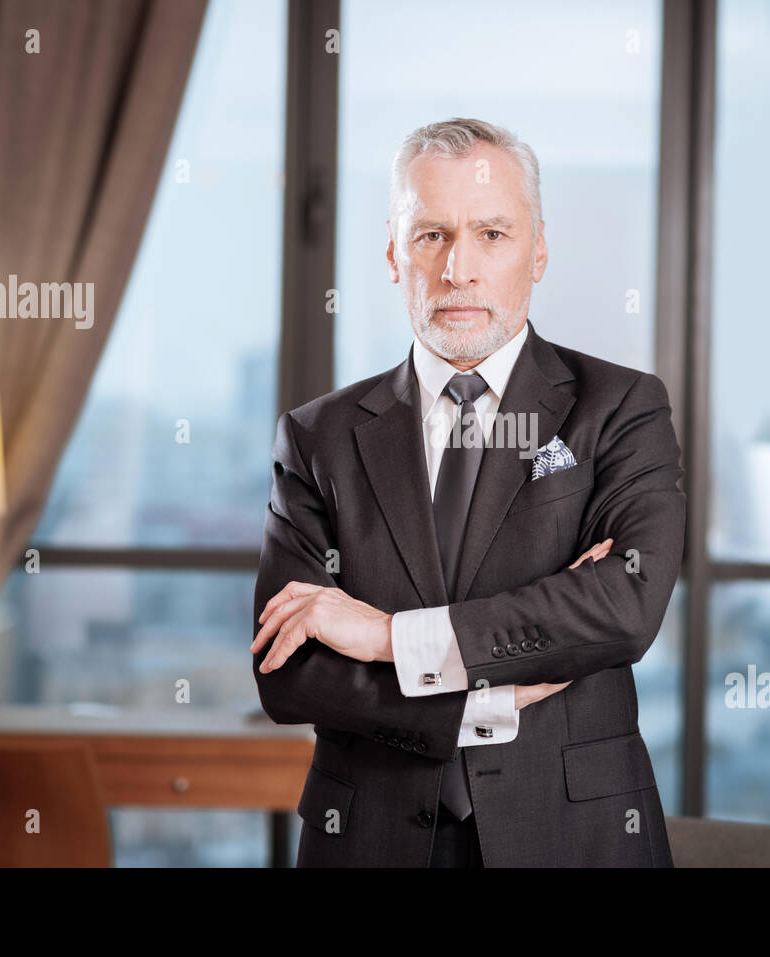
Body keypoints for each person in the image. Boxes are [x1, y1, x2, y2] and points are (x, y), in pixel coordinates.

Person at [251, 117, 685, 866]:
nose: (459, 268)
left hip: (571, 835)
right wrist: (484, 697)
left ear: (538, 249)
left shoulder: (620, 408)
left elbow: (622, 608)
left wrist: (388, 638)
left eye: (491, 234)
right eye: (431, 236)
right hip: (370, 837)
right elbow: (289, 673)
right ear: (394, 252)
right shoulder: (317, 436)